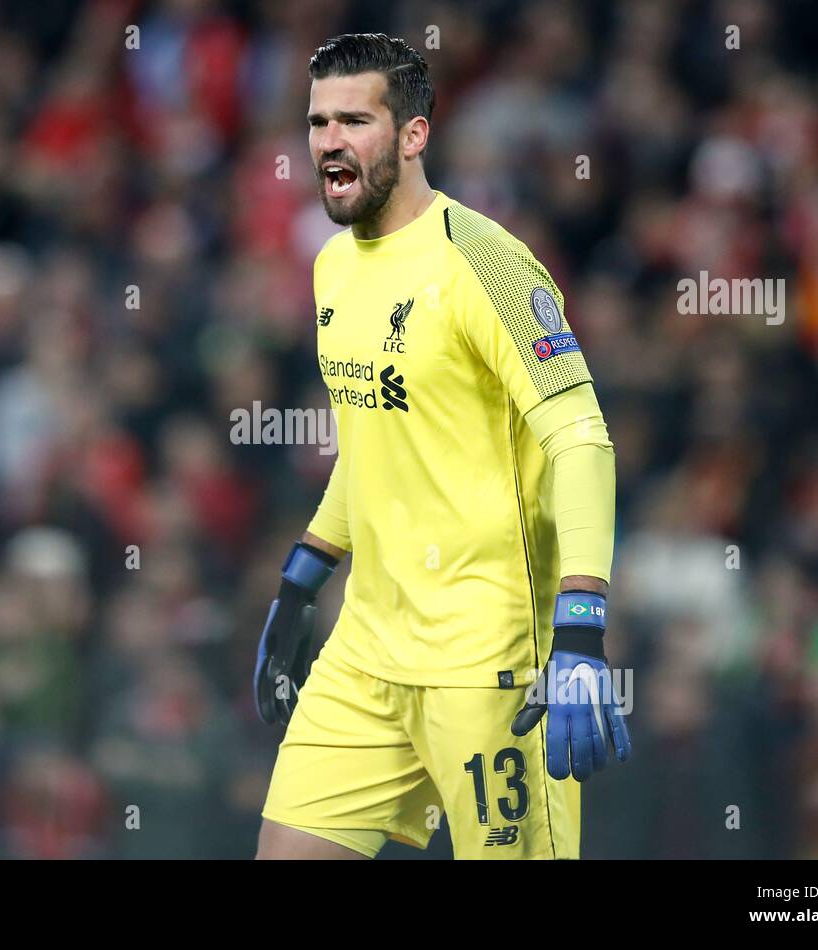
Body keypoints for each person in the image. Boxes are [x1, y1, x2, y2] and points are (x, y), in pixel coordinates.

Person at [254, 33, 630, 860]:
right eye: (318, 122)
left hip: (486, 659)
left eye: (355, 119)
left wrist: (580, 630)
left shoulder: (485, 261)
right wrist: (301, 581)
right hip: (367, 649)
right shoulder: (331, 270)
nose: (328, 142)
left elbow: (582, 440)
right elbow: (373, 439)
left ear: (414, 135)